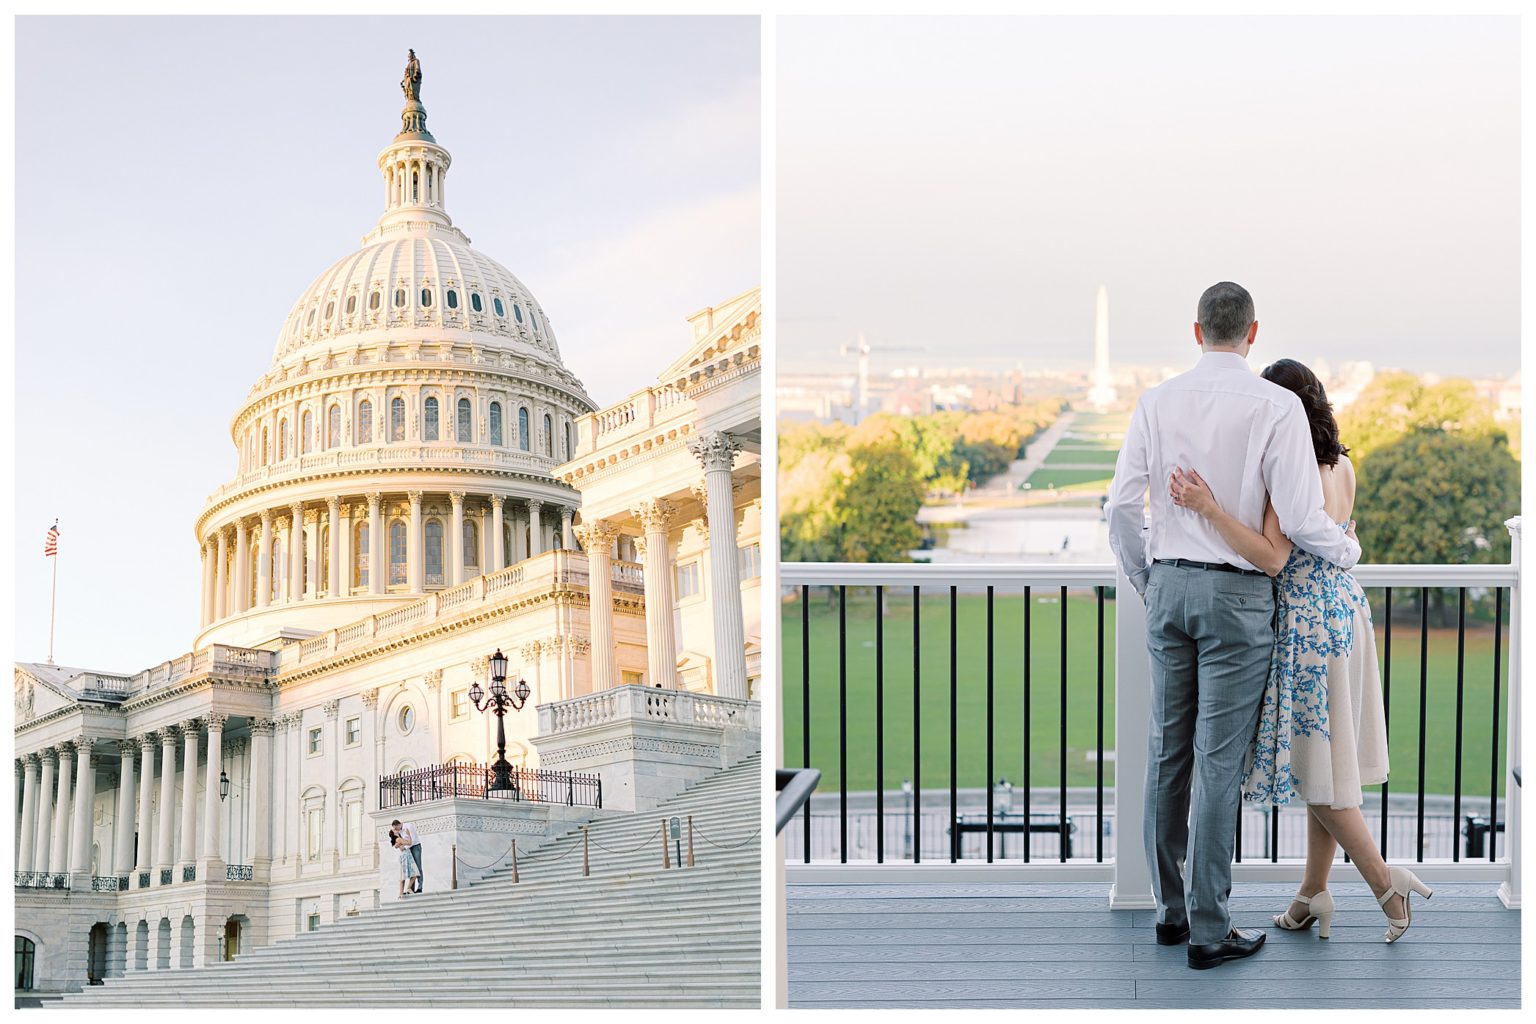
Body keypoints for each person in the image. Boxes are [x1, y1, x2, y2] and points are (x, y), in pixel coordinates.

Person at [1106, 282, 1361, 970]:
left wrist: (1149, 580)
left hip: (1170, 588)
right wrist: (1350, 550)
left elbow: (1119, 508)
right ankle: (1210, 930)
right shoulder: (1275, 407)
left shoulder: (1156, 402)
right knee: (1218, 762)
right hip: (1239, 598)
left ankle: (1169, 912)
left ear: (1197, 332)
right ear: (1252, 333)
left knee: (1168, 754)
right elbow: (1305, 522)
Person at [1168, 358, 1432, 944]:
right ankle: (1313, 892)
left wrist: (1209, 510)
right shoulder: (1343, 464)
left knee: (1321, 778)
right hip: (1345, 611)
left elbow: (1272, 555)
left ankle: (1389, 888)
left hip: (1306, 627)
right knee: (1326, 765)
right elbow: (1340, 536)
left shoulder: (1288, 473)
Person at [387, 825, 420, 899]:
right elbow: (409, 842)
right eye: (394, 830)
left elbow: (399, 845)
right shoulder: (398, 839)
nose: (396, 830)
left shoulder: (398, 839)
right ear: (394, 833)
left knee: (411, 874)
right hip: (406, 856)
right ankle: (405, 890)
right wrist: (408, 834)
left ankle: (402, 893)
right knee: (410, 874)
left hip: (406, 855)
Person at [392, 818, 422, 893]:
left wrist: (404, 848)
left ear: (398, 824)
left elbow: (413, 840)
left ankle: (420, 887)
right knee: (411, 869)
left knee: (418, 867)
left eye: (396, 828)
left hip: (415, 847)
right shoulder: (399, 832)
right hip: (408, 850)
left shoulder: (408, 826)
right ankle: (410, 889)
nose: (396, 830)